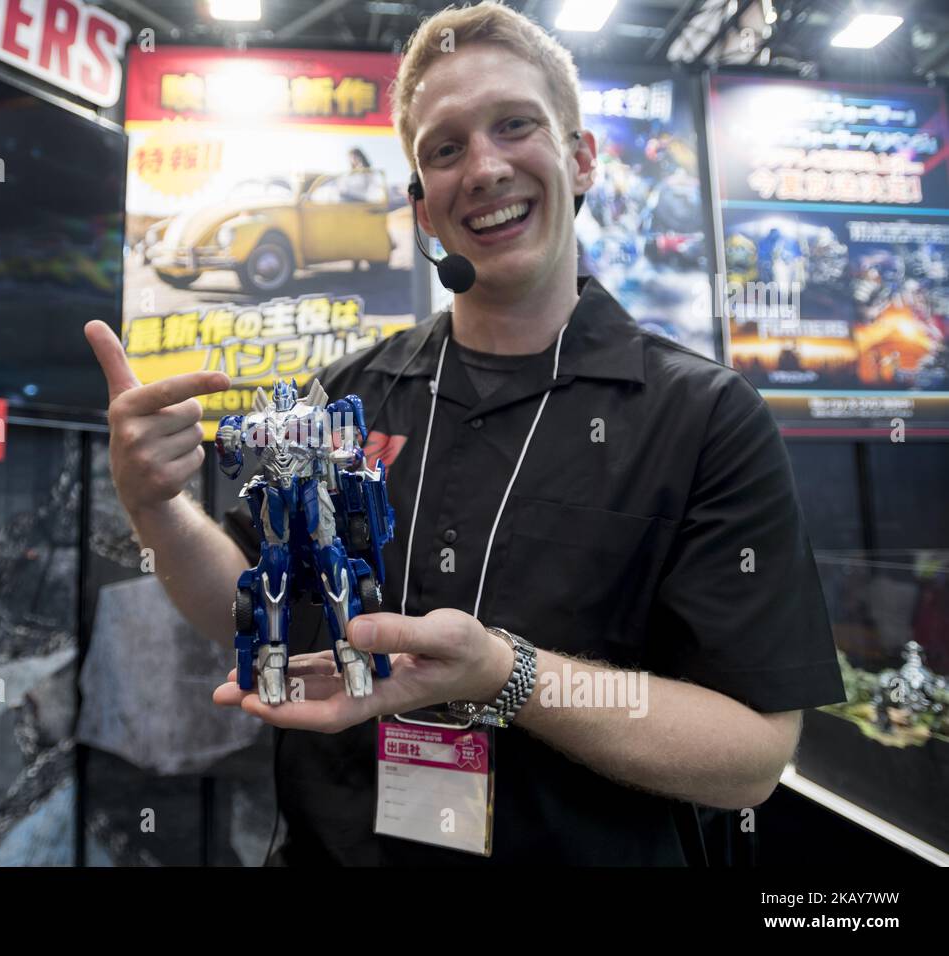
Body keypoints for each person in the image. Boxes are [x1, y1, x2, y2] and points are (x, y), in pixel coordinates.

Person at [84, 1, 844, 865]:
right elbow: (254, 597)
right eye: (444, 149)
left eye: (515, 125)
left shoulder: (705, 418)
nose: (483, 168)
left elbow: (751, 758)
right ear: (422, 209)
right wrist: (157, 507)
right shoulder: (347, 395)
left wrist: (507, 677)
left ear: (582, 158)